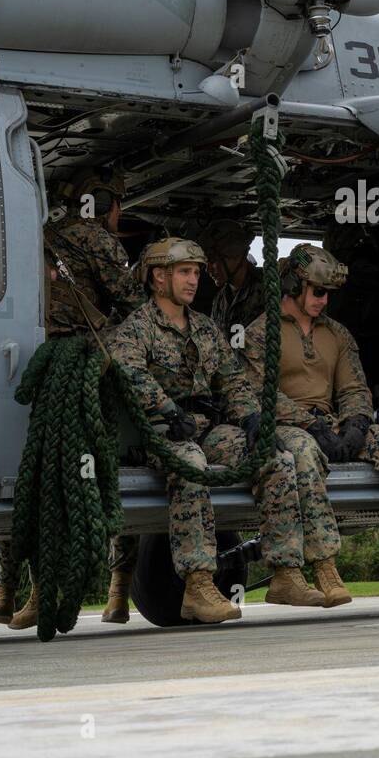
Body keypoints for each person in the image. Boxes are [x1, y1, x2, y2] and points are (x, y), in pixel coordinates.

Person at [108, 238, 347, 617]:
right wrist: (167, 410)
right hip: (162, 431)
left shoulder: (204, 328)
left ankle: (285, 572)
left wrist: (251, 416)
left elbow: (232, 379)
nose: (193, 280)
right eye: (184, 272)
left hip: (208, 426)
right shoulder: (137, 328)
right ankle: (198, 584)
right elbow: (128, 372)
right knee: (191, 469)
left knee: (276, 457)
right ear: (158, 277)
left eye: (196, 272)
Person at [242, 243, 379, 597]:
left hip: (332, 422)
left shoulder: (336, 334)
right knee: (304, 456)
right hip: (289, 426)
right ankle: (324, 566)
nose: (324, 300)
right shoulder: (259, 333)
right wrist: (309, 424)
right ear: (295, 286)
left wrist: (356, 424)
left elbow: (353, 387)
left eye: (329, 293)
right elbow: (259, 393)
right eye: (318, 292)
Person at [0, 170, 144, 629]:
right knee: (94, 480)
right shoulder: (98, 241)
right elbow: (132, 303)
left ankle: (6, 593)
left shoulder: (39, 237)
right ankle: (111, 594)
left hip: (43, 364)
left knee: (37, 480)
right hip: (86, 373)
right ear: (108, 206)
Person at [202, 219, 264, 353]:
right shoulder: (221, 300)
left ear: (235, 256)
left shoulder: (267, 290)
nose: (208, 269)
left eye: (213, 261)